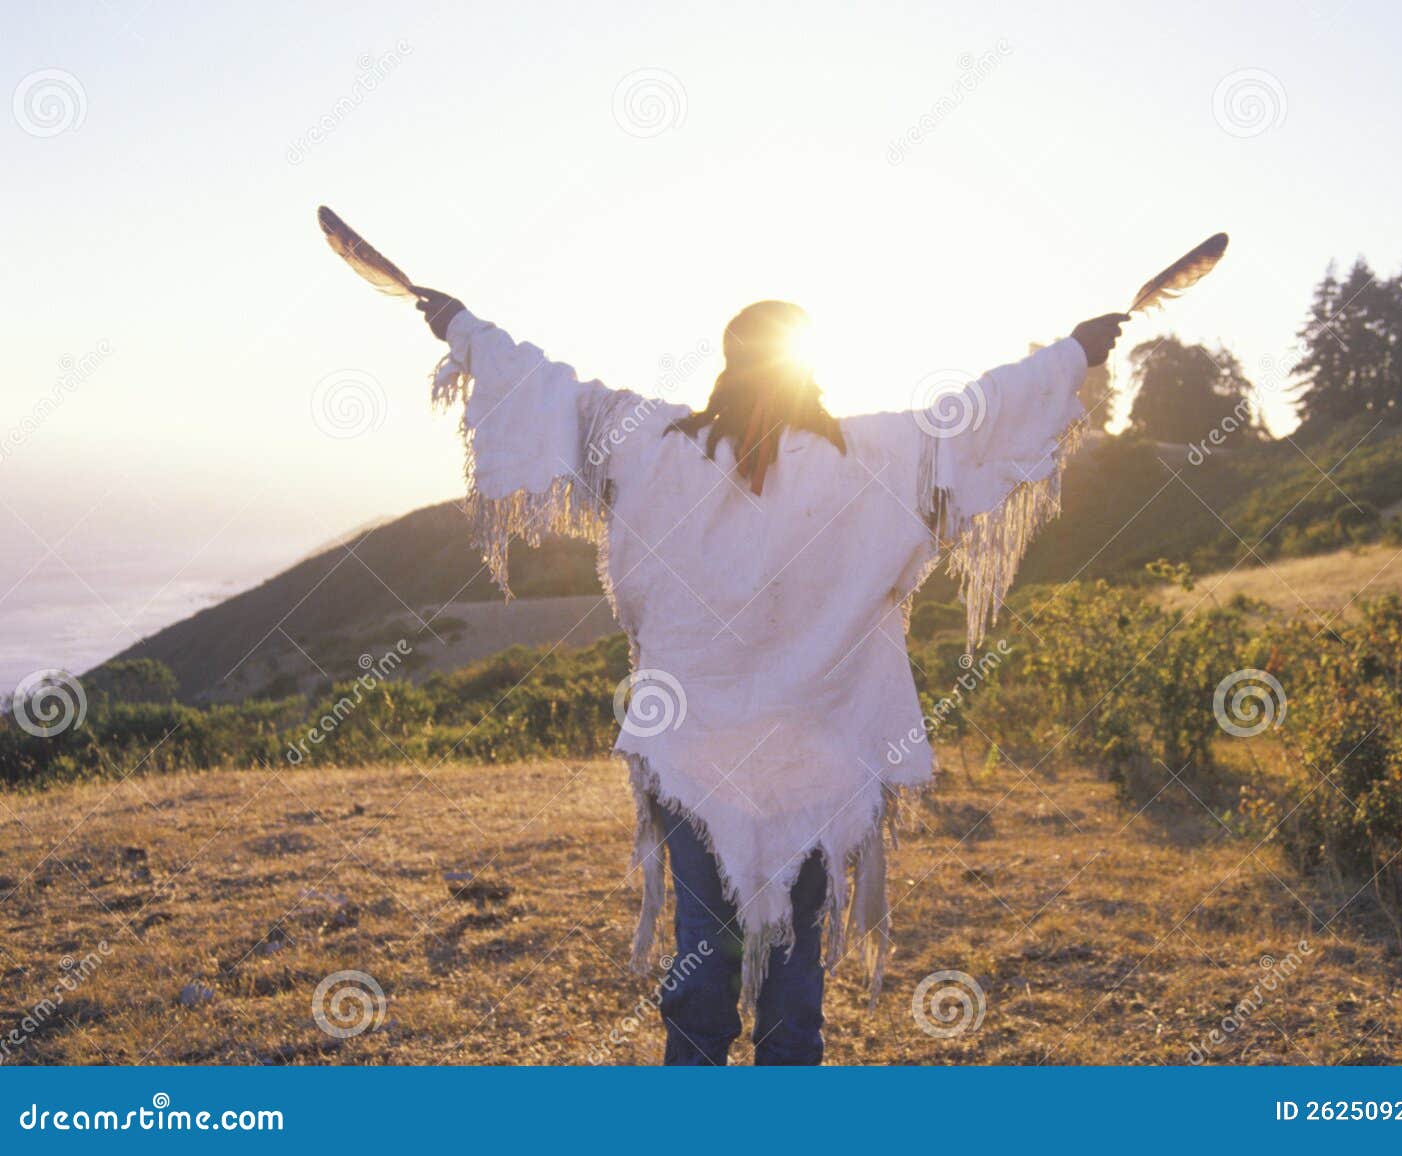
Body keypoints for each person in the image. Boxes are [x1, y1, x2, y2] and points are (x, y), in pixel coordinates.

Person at [415, 288, 1125, 1064]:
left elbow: (552, 393)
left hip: (693, 756)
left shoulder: (651, 445)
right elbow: (978, 414)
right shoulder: (874, 457)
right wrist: (1074, 354)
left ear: (728, 363)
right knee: (794, 972)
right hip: (816, 763)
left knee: (702, 960)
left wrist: (464, 327)